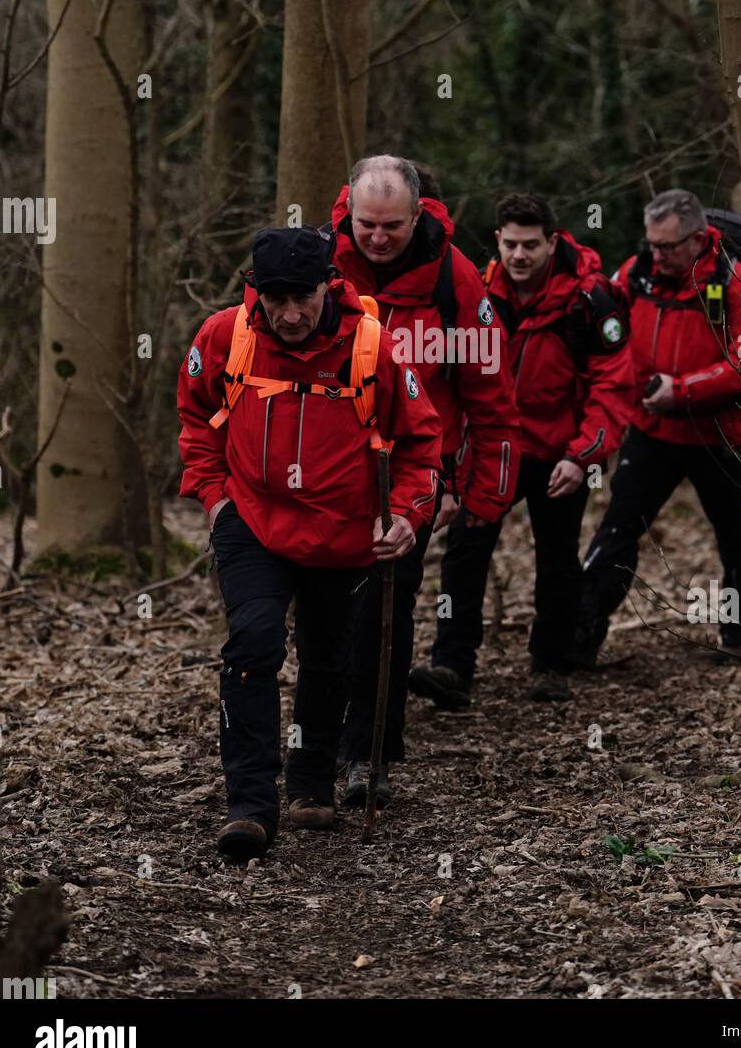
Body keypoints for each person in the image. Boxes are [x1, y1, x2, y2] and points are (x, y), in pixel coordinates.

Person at [177, 225, 442, 861]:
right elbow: (195, 414)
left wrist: (407, 514)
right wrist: (214, 499)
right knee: (254, 643)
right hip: (251, 521)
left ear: (330, 284)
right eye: (277, 300)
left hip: (344, 528)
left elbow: (422, 444)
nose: (291, 315)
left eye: (304, 298)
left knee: (330, 658)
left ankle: (310, 780)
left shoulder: (374, 346)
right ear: (256, 292)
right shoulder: (224, 336)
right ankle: (249, 804)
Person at [330, 156, 520, 804]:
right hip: (326, 470)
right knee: (328, 610)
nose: (377, 239)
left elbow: (491, 394)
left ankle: (369, 755)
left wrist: (478, 492)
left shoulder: (456, 280)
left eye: (391, 227)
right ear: (346, 212)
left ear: (419, 215)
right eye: (366, 225)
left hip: (411, 466)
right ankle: (328, 734)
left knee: (387, 603)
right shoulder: (322, 263)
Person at [409, 193, 635, 707]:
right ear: (497, 242)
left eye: (531, 245)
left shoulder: (590, 299)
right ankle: (451, 664)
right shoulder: (473, 291)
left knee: (557, 560)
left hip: (559, 455)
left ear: (552, 242)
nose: (519, 255)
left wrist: (583, 457)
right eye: (510, 244)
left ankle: (551, 665)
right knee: (463, 553)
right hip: (490, 452)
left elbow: (614, 384)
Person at [572, 189, 741, 667]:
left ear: (699, 239)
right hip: (652, 431)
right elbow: (601, 307)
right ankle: (577, 640)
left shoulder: (737, 284)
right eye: (651, 244)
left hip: (721, 436)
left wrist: (681, 390)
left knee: (737, 537)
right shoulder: (637, 272)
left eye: (667, 246)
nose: (656, 255)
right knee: (617, 531)